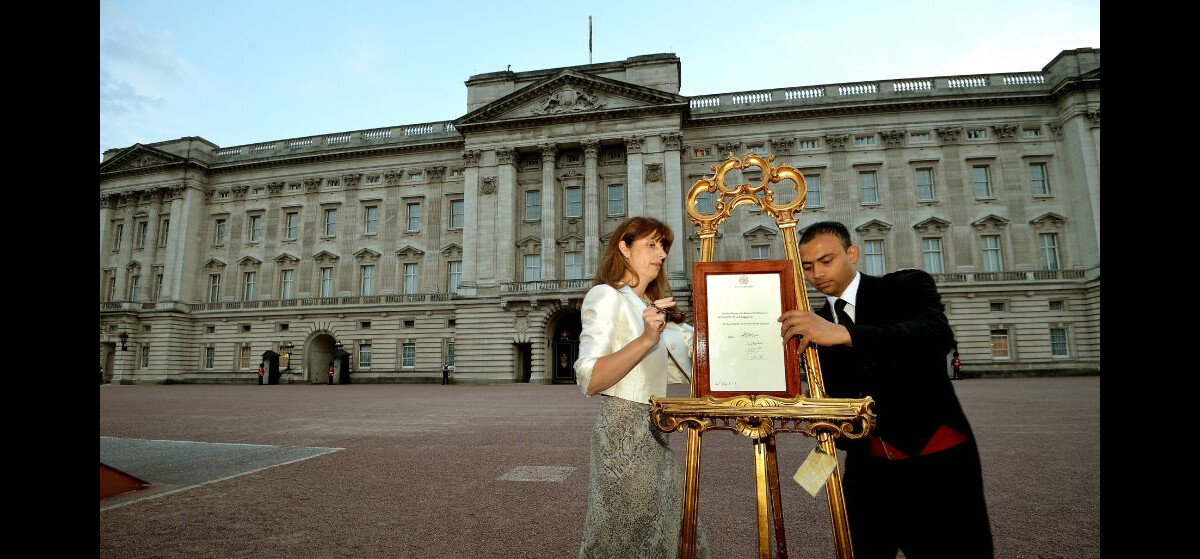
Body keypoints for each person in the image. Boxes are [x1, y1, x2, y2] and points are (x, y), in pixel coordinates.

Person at [778, 221, 992, 558]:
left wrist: (845, 335)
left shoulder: (906, 285)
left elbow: (935, 336)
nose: (817, 273)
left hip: (937, 468)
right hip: (868, 474)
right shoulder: (809, 324)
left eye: (826, 260)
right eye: (807, 266)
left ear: (852, 253)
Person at [573, 216, 710, 558]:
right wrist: (648, 338)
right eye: (651, 244)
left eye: (664, 247)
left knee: (674, 530)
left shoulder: (655, 308)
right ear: (624, 247)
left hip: (657, 431)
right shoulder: (607, 296)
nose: (661, 254)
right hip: (622, 434)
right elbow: (589, 378)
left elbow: (703, 358)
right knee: (625, 537)